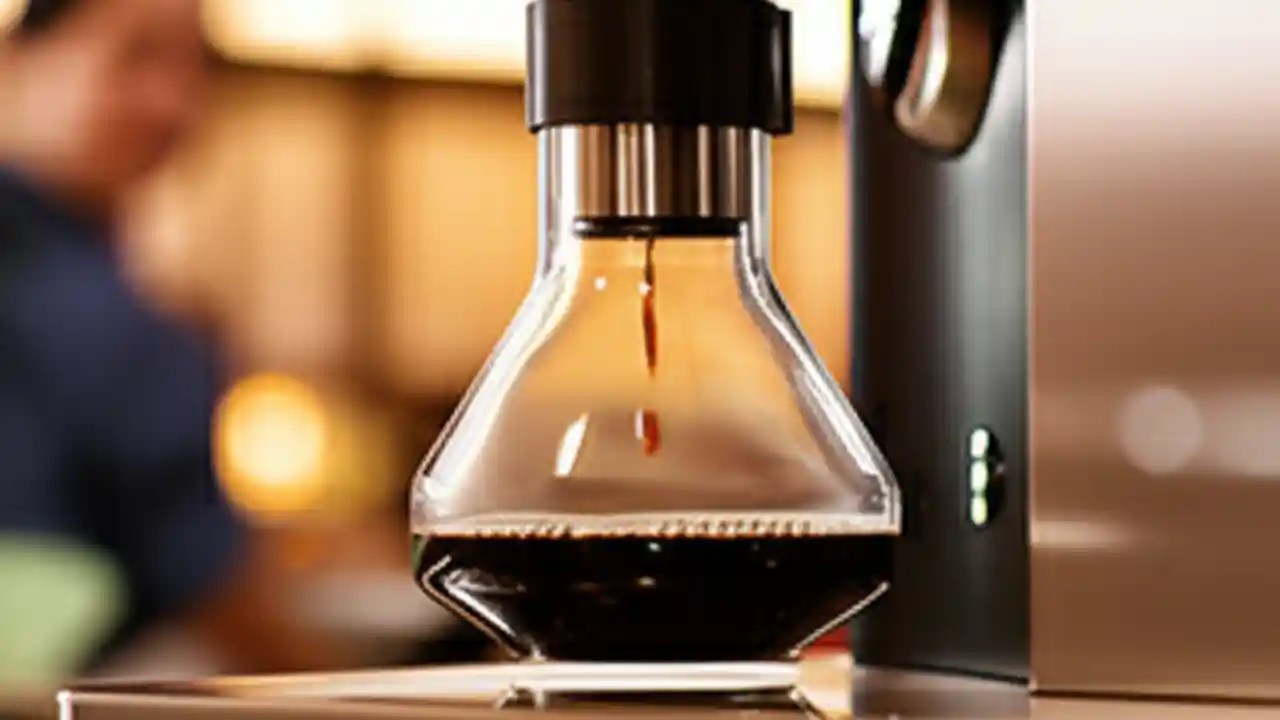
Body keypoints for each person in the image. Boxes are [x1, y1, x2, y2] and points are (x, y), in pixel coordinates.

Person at [0, 0, 333, 674]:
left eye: (199, 67)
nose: (172, 101)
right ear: (15, 62)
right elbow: (214, 589)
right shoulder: (108, 318)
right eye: (137, 55)